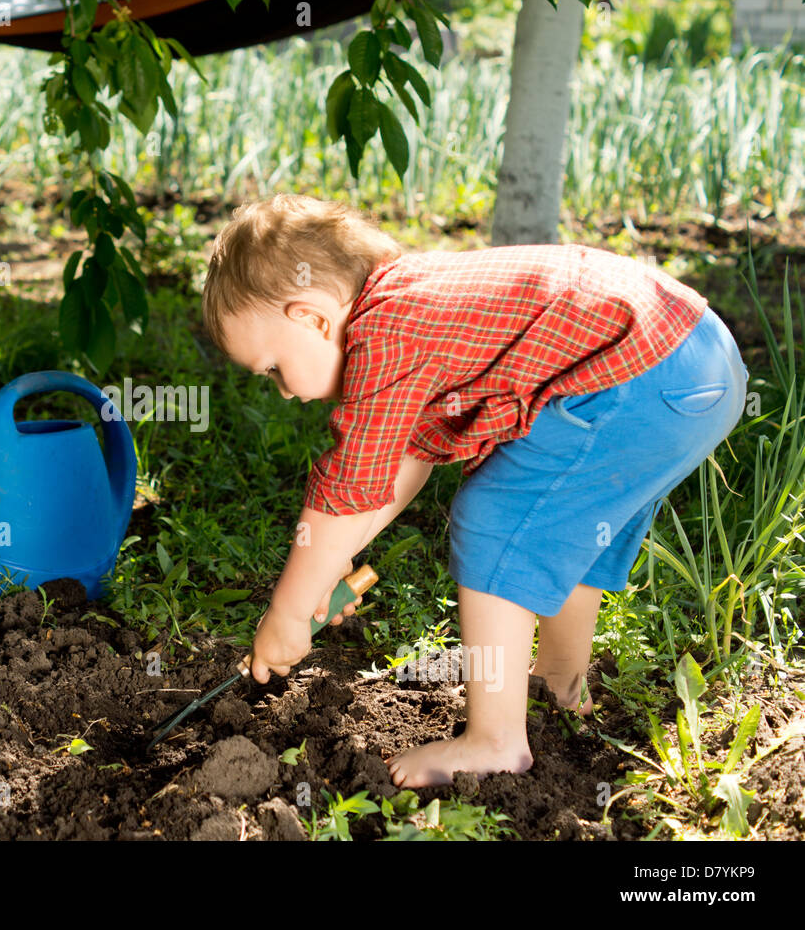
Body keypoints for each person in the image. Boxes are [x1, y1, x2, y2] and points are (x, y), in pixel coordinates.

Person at [200, 193, 749, 788]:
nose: (283, 390)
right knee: (564, 518)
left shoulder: (385, 329)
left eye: (274, 369)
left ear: (310, 316)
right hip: (691, 361)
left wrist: (285, 613)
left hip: (640, 370)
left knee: (493, 516)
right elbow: (401, 465)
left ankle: (495, 741)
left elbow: (347, 487)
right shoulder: (412, 307)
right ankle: (561, 682)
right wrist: (327, 567)